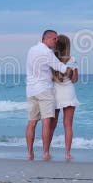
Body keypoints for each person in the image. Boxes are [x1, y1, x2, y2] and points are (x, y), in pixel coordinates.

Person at [25, 29, 73, 161]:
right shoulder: (47, 52)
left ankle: (29, 153)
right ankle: (45, 153)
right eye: (54, 39)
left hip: (30, 90)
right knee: (46, 122)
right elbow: (60, 67)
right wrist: (71, 70)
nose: (56, 41)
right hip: (44, 90)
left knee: (31, 123)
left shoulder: (31, 50)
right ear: (47, 38)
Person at [49, 34, 79, 161]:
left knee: (52, 125)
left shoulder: (51, 59)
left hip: (55, 93)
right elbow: (75, 80)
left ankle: (47, 151)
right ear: (67, 46)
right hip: (68, 93)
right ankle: (67, 154)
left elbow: (48, 78)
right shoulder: (72, 59)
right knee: (68, 125)